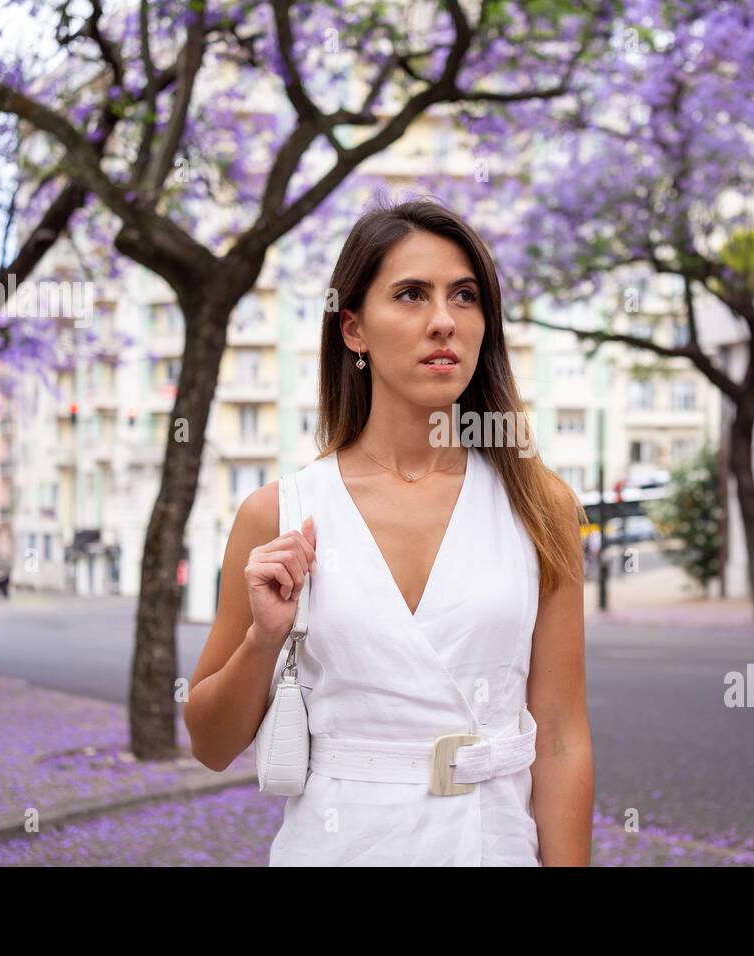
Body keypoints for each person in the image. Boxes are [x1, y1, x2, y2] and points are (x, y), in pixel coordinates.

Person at [185, 197, 594, 866]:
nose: (444, 321)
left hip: (492, 847)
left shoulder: (539, 505)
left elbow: (562, 736)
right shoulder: (279, 513)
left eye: (465, 297)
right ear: (354, 329)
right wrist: (264, 638)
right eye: (411, 295)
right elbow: (209, 742)